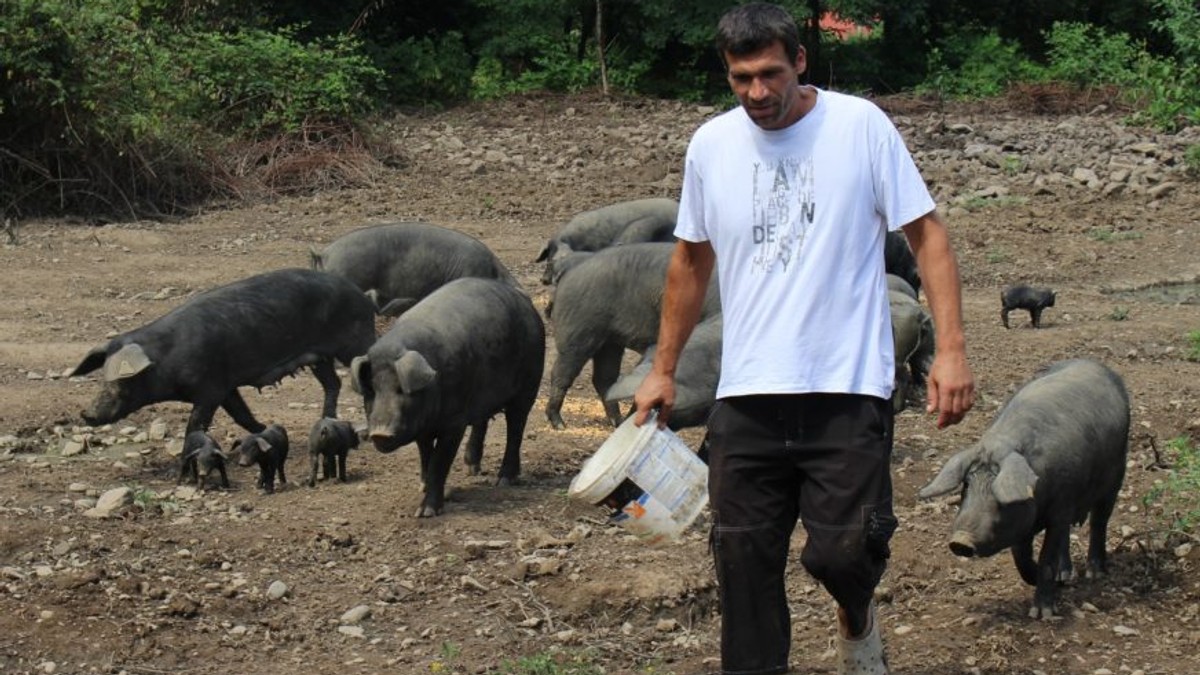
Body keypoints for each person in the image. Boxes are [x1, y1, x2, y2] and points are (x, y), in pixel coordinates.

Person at [631, 4, 975, 675]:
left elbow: (927, 234)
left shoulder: (860, 127)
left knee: (842, 552)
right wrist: (661, 367)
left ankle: (858, 617)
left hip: (846, 387)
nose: (757, 92)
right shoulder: (711, 146)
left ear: (799, 62)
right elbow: (690, 259)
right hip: (748, 391)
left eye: (769, 74)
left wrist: (953, 350)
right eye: (740, 79)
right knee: (741, 561)